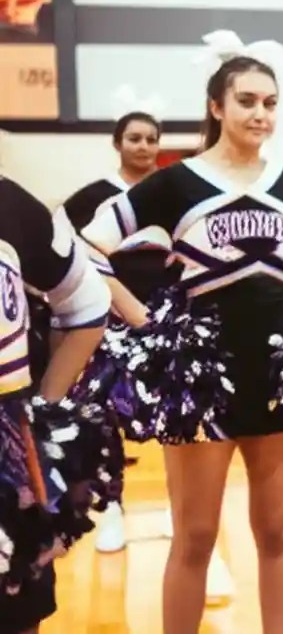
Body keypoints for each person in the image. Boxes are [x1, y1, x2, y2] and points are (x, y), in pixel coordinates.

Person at [78, 45, 283, 634]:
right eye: (246, 101)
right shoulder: (173, 185)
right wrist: (146, 324)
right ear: (217, 106)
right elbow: (90, 249)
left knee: (277, 531)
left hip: (275, 378)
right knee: (194, 534)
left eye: (270, 103)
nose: (260, 113)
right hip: (201, 380)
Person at [0, 176, 112, 634]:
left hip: (8, 461)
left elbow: (87, 300)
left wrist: (47, 409)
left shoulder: (10, 203)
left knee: (16, 612)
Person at [58, 109, 171, 553]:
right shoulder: (92, 197)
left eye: (151, 139)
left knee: (177, 414)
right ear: (117, 143)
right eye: (135, 138)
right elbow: (65, 250)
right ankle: (112, 509)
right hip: (113, 317)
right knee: (106, 417)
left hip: (167, 318)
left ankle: (179, 506)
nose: (143, 146)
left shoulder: (173, 191)